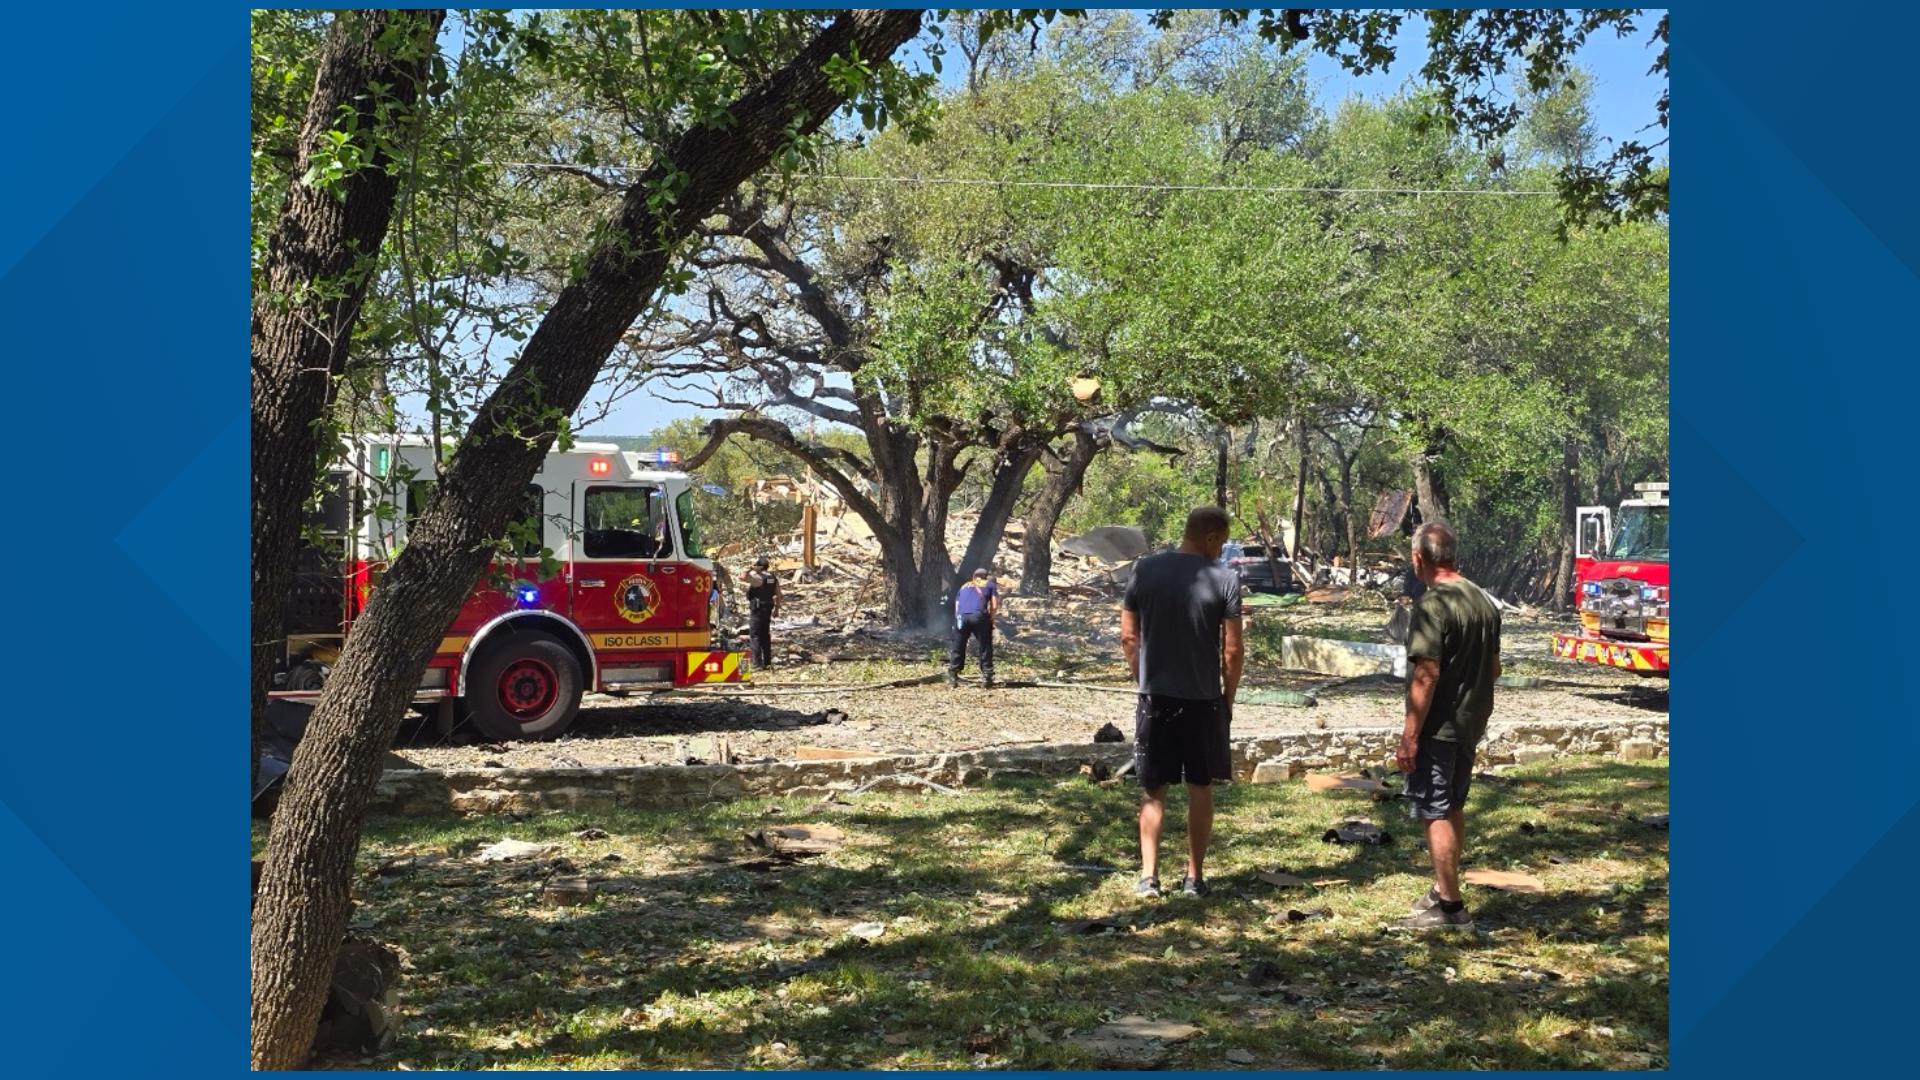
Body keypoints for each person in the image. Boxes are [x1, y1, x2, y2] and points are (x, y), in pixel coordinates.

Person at [1120, 506, 1244, 899]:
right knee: (1200, 787)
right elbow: (1233, 651)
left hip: (1155, 698)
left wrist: (1144, 680)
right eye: (1221, 544)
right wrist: (1227, 698)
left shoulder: (1144, 570)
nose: (1220, 551)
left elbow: (1128, 637)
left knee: (1153, 788)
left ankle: (1149, 877)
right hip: (1203, 701)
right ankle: (1194, 877)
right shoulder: (1225, 579)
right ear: (1211, 538)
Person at [1396, 521, 1502, 930]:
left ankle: (1452, 908)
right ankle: (1443, 887)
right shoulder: (1482, 600)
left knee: (1435, 810)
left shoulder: (1432, 604)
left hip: (1439, 727)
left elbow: (1426, 674)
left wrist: (1410, 737)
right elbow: (1493, 669)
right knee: (1453, 805)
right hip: (1469, 723)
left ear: (1418, 558)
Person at [946, 568, 999, 688]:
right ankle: (987, 676)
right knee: (985, 645)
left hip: (961, 617)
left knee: (958, 645)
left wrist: (959, 619)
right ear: (985, 576)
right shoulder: (990, 584)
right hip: (978, 616)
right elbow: (994, 605)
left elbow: (957, 606)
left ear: (974, 576)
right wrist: (991, 619)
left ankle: (953, 676)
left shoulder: (964, 586)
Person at [743, 556, 781, 670]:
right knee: (765, 635)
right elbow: (779, 595)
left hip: (758, 610)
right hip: (768, 608)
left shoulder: (758, 578)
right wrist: (777, 609)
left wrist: (750, 568)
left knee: (755, 635)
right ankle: (767, 662)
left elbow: (743, 577)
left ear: (760, 567)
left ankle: (757, 663)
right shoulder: (773, 578)